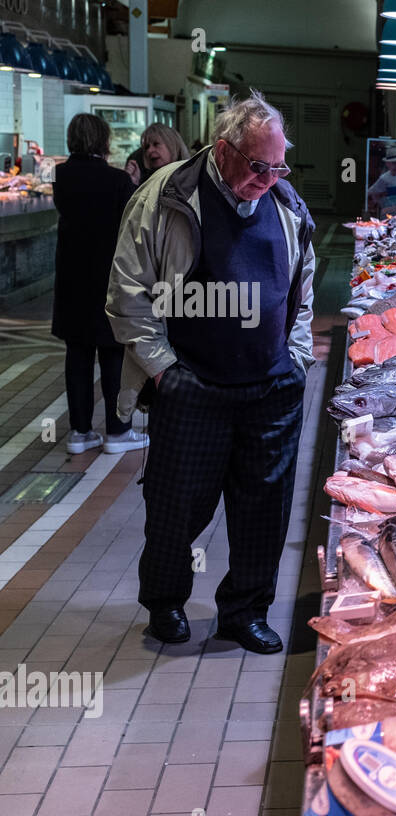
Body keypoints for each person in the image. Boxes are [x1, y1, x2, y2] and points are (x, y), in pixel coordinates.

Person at [105, 91, 316, 654]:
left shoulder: (287, 204)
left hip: (269, 387)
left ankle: (244, 612)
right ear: (224, 150)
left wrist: (296, 358)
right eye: (258, 166)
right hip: (191, 384)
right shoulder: (168, 194)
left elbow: (303, 290)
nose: (268, 178)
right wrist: (163, 372)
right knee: (175, 507)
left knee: (262, 512)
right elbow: (128, 294)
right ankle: (166, 604)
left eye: (278, 167)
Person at [52, 114, 148, 455]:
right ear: (103, 139)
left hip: (71, 280)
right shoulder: (116, 181)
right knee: (113, 356)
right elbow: (135, 220)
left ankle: (79, 433)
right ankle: (118, 432)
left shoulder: (61, 176)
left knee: (76, 357)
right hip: (109, 280)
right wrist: (132, 182)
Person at [124, 123, 191, 187]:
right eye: (147, 147)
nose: (149, 151)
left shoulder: (191, 177)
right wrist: (133, 183)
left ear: (172, 145)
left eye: (156, 144)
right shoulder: (147, 180)